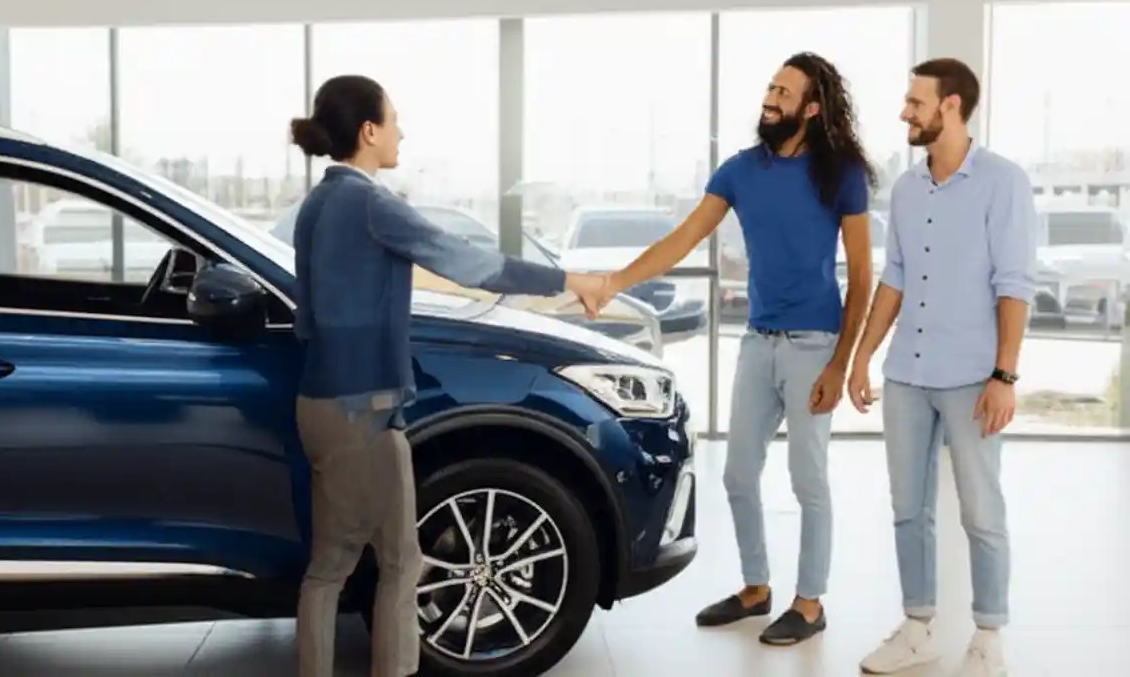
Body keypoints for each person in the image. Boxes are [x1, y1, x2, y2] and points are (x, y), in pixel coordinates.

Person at [287, 74, 605, 677]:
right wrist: (568, 280)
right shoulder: (370, 203)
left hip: (317, 403)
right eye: (394, 119)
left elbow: (306, 318)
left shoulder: (315, 206)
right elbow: (470, 263)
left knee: (328, 568)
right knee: (403, 564)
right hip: (365, 410)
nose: (402, 131)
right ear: (369, 131)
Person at [593, 52, 875, 646]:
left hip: (814, 344)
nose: (770, 98)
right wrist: (615, 283)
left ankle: (810, 602)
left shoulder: (840, 172)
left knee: (808, 480)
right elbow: (682, 239)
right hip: (759, 341)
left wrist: (841, 362)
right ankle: (756, 589)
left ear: (812, 107)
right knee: (739, 474)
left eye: (784, 92)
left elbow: (862, 275)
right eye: (770, 88)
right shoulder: (740, 170)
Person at [850, 58, 1036, 677]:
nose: (906, 111)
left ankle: (988, 636)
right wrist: (865, 357)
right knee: (909, 508)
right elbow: (895, 277)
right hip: (908, 373)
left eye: (915, 102)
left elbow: (1014, 285)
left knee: (981, 510)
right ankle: (917, 626)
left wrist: (1004, 376)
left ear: (951, 106)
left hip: (973, 375)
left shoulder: (1002, 182)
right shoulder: (906, 187)